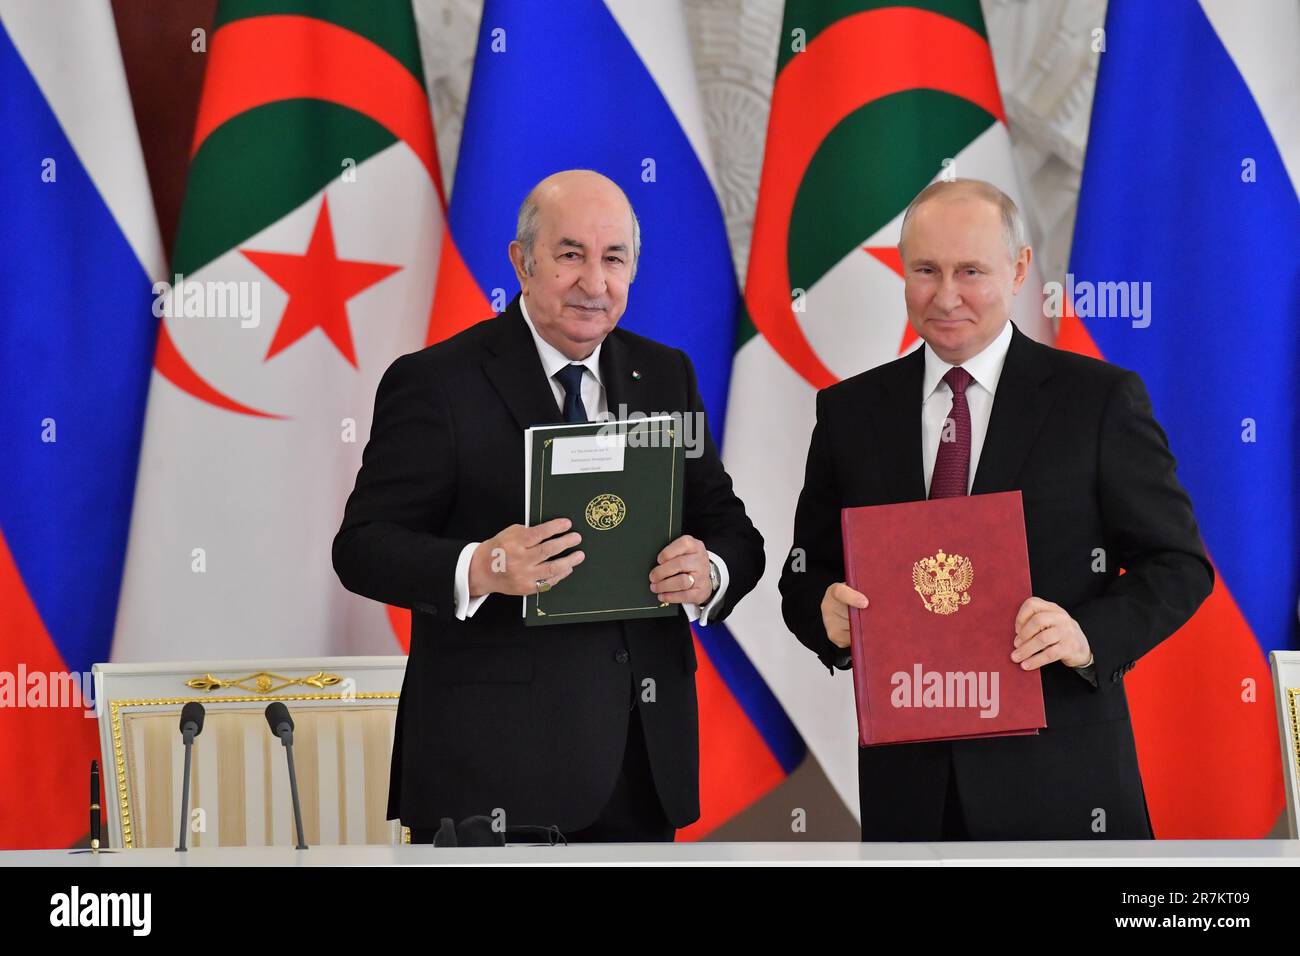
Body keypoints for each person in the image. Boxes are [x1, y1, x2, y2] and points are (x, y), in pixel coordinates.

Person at [334, 169, 764, 842]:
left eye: (613, 258)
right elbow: (362, 546)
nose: (594, 283)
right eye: (570, 255)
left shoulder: (665, 375)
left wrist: (710, 570)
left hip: (639, 763)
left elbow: (732, 531)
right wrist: (480, 566)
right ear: (522, 261)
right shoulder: (435, 383)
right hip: (489, 775)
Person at [779, 179, 1212, 840]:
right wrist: (825, 615)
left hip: (1064, 788)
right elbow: (805, 573)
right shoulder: (850, 413)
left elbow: (1178, 565)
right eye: (925, 270)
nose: (945, 296)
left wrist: (1086, 635)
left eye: (970, 272)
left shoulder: (1097, 401)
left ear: (1017, 272)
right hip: (911, 797)